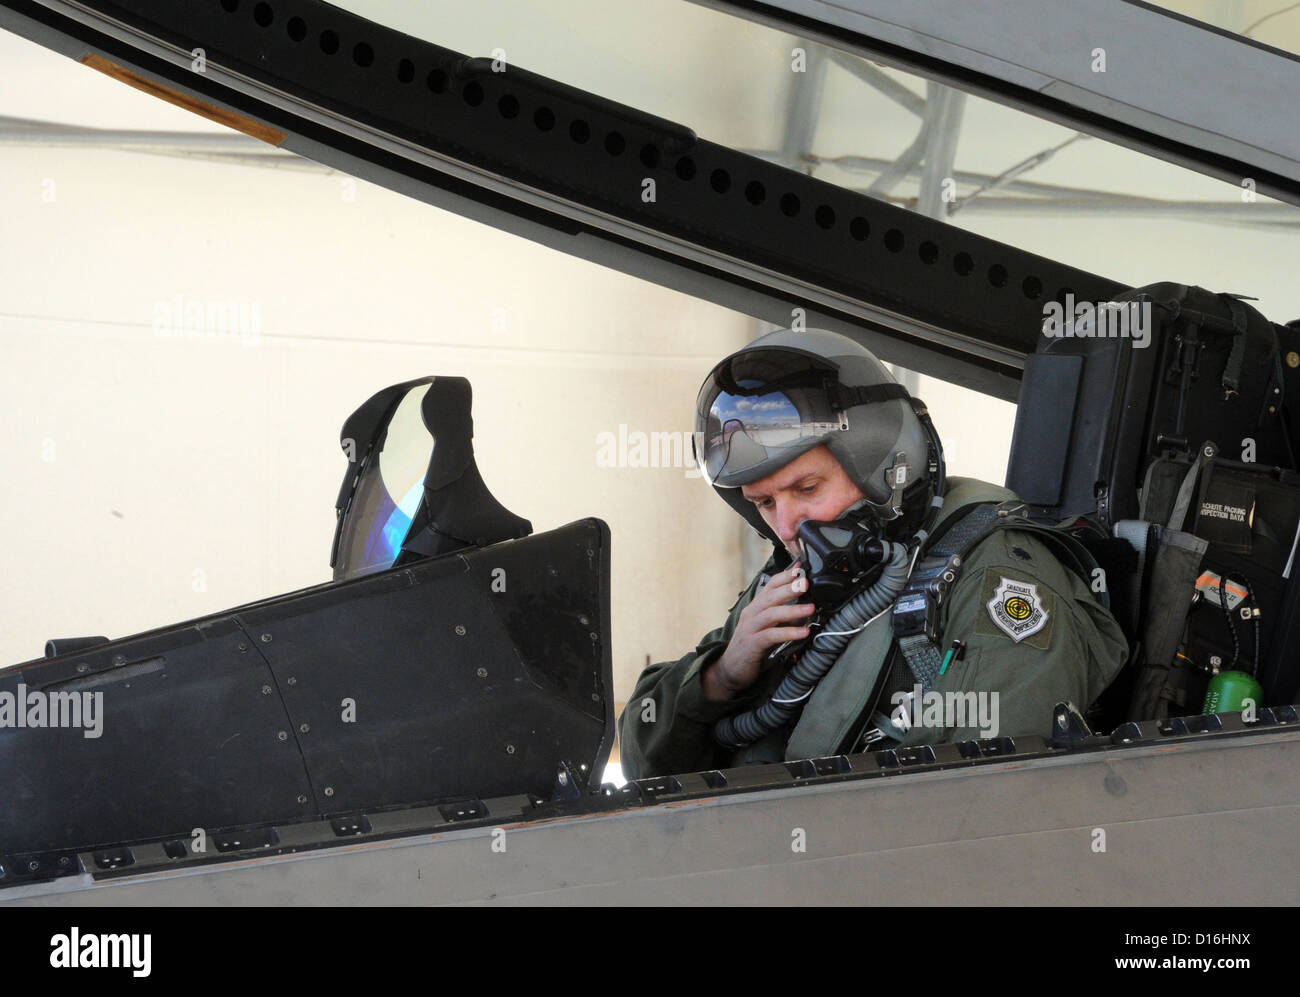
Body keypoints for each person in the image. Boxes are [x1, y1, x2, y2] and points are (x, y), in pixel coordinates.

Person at [618, 327, 1129, 780]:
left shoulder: (997, 579)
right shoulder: (799, 583)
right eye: (765, 503)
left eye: (808, 487)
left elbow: (985, 809)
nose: (787, 524)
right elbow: (645, 766)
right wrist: (721, 675)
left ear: (886, 462)